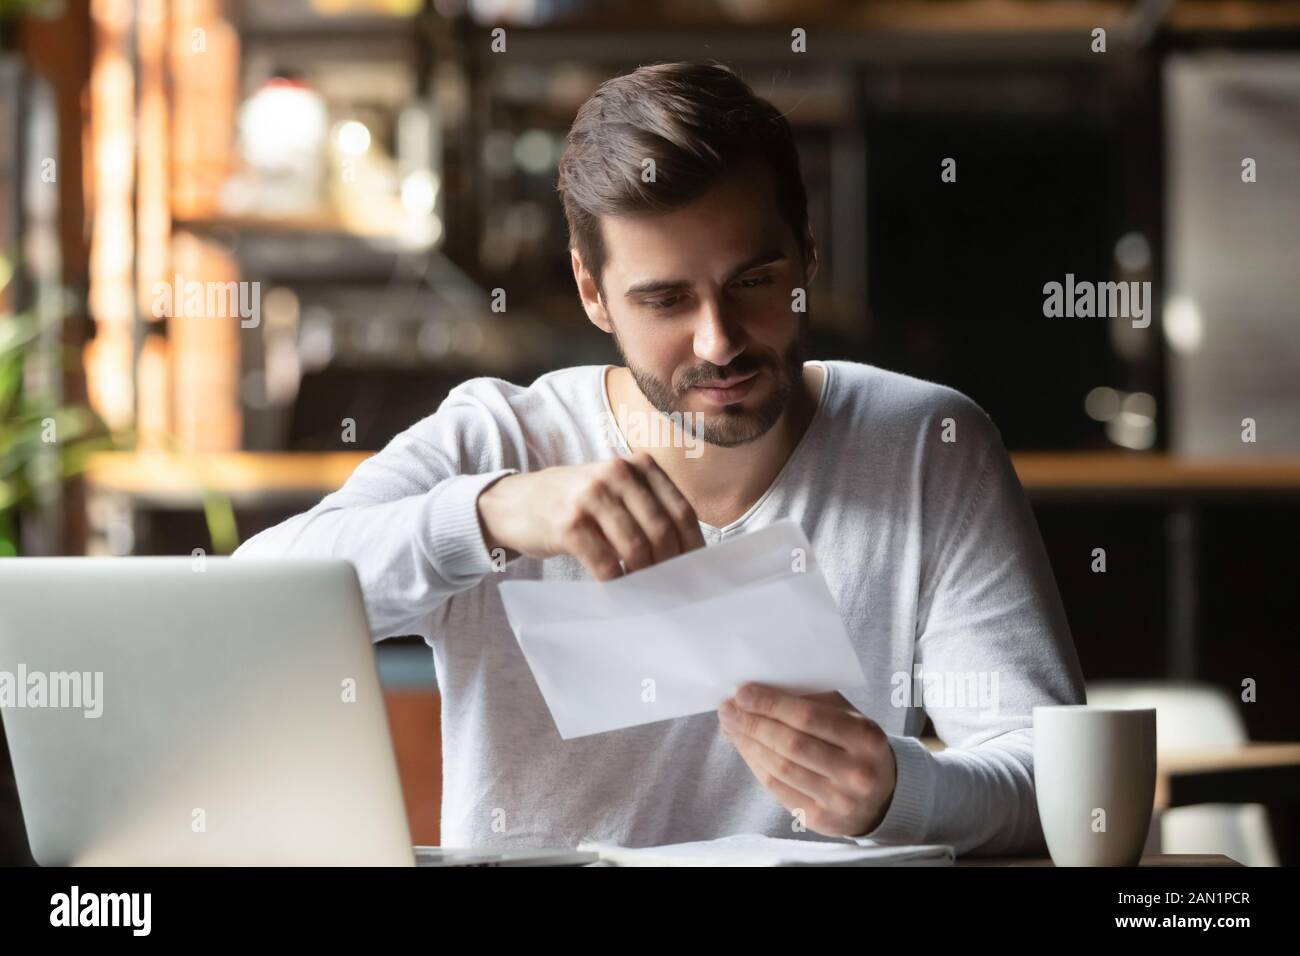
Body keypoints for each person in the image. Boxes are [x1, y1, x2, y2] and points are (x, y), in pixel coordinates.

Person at [235, 61, 1085, 856]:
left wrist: (900, 790)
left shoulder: (925, 445)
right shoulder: (496, 441)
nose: (720, 342)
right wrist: (492, 513)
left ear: (807, 256)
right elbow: (254, 607)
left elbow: (1053, 778)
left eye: (754, 281)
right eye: (666, 299)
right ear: (591, 292)